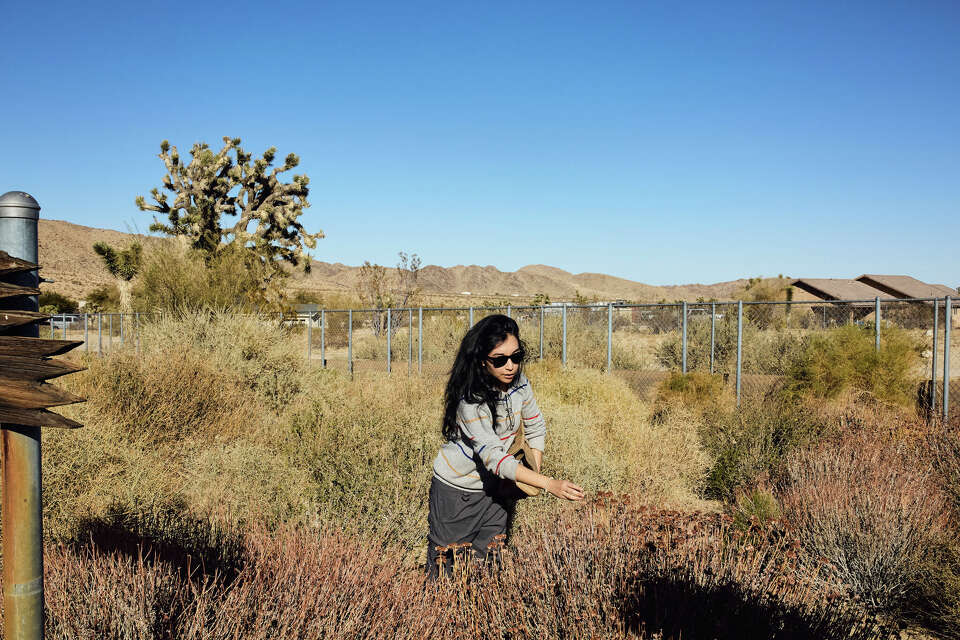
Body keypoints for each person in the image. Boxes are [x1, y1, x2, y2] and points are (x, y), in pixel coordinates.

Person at [426, 314, 585, 578]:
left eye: (516, 356)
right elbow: (494, 458)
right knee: (446, 570)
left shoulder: (519, 384)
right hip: (458, 492)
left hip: (498, 488)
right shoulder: (471, 400)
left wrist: (528, 475)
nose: (510, 366)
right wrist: (547, 483)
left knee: (488, 568)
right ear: (482, 361)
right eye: (499, 360)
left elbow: (535, 427)